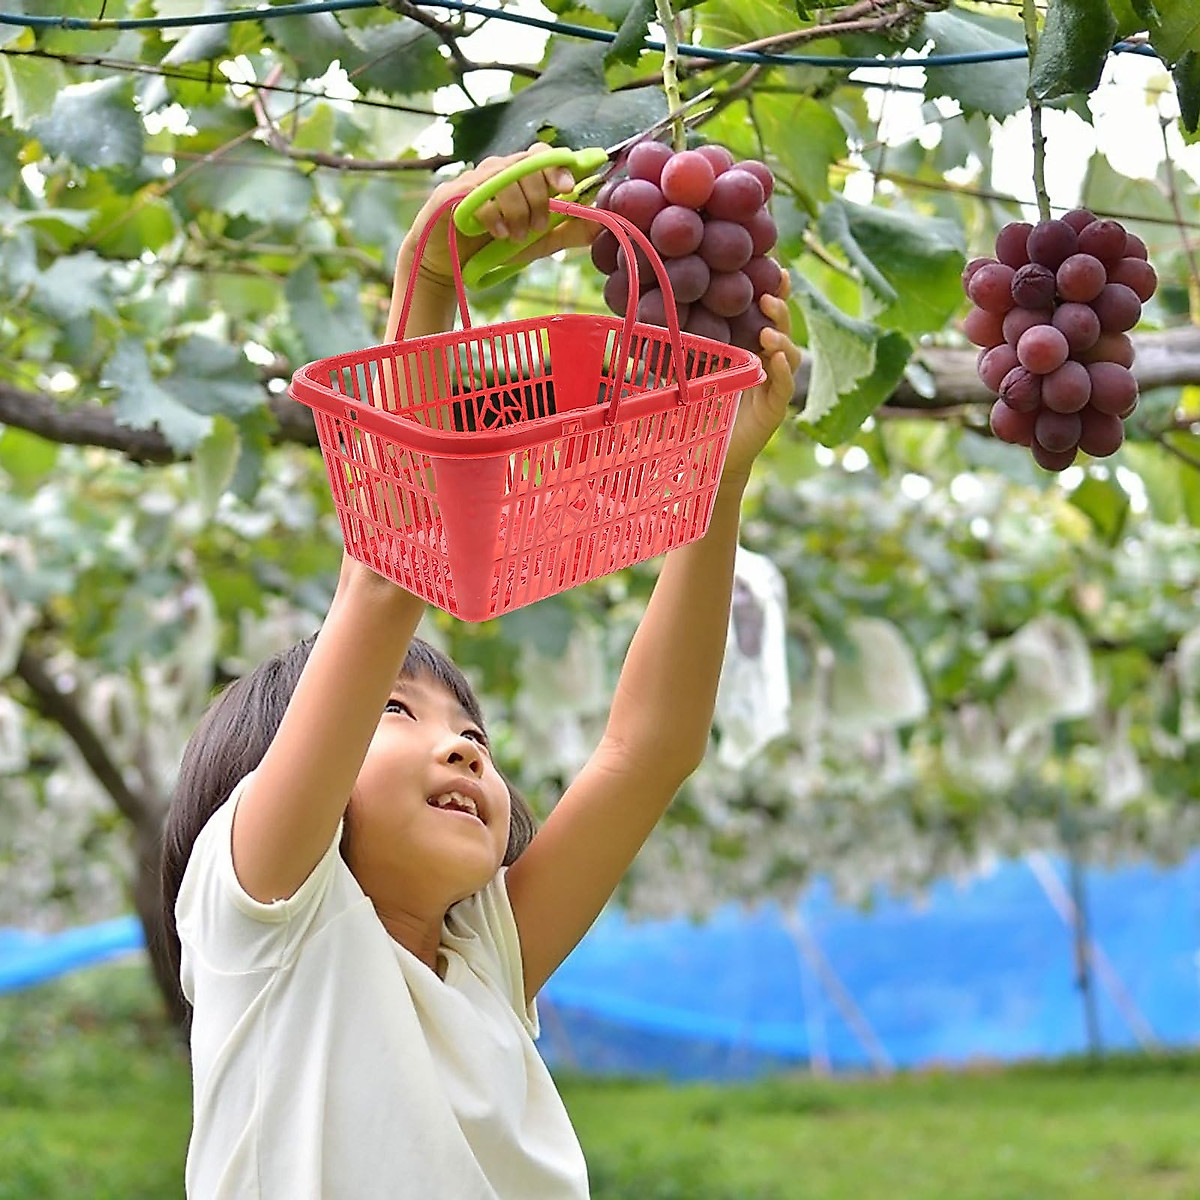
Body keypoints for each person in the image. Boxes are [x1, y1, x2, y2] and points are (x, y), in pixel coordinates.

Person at [159, 145, 802, 1199]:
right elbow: (385, 574)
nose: (460, 741)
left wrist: (713, 479)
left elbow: (648, 750)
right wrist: (429, 278)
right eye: (396, 709)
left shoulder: (484, 960)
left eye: (475, 733)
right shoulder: (267, 924)